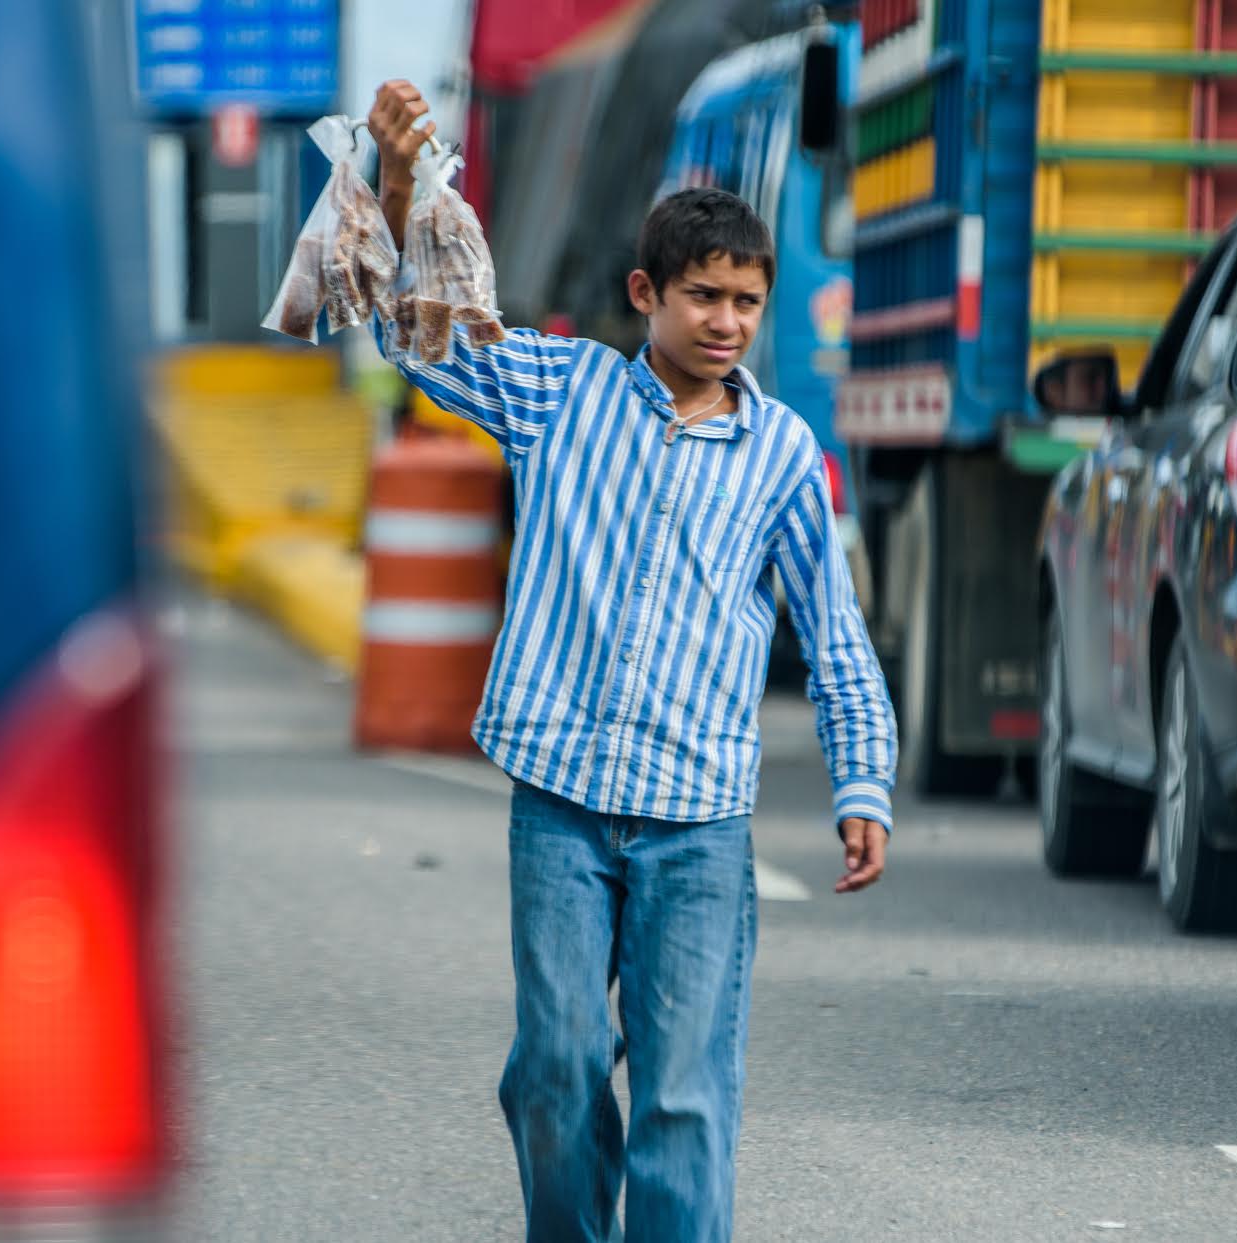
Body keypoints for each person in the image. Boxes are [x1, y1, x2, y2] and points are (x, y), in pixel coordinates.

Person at [366, 81, 897, 1242]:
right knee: (555, 1067)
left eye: (748, 302)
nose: (727, 322)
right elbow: (414, 335)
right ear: (645, 294)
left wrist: (863, 782)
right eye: (704, 296)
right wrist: (396, 185)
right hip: (559, 808)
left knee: (682, 1098)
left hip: (698, 824)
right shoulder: (564, 394)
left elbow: (833, 628)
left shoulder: (782, 457)